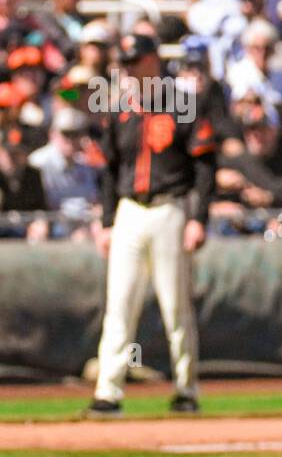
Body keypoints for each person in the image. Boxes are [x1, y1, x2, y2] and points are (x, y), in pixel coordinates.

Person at [84, 33, 216, 419]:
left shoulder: (181, 103)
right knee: (119, 303)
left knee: (175, 305)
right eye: (123, 64)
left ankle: (185, 388)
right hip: (129, 210)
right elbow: (108, 170)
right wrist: (107, 221)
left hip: (169, 209)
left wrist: (198, 217)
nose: (127, 70)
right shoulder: (118, 108)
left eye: (134, 62)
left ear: (153, 62)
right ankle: (108, 392)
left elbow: (204, 166)